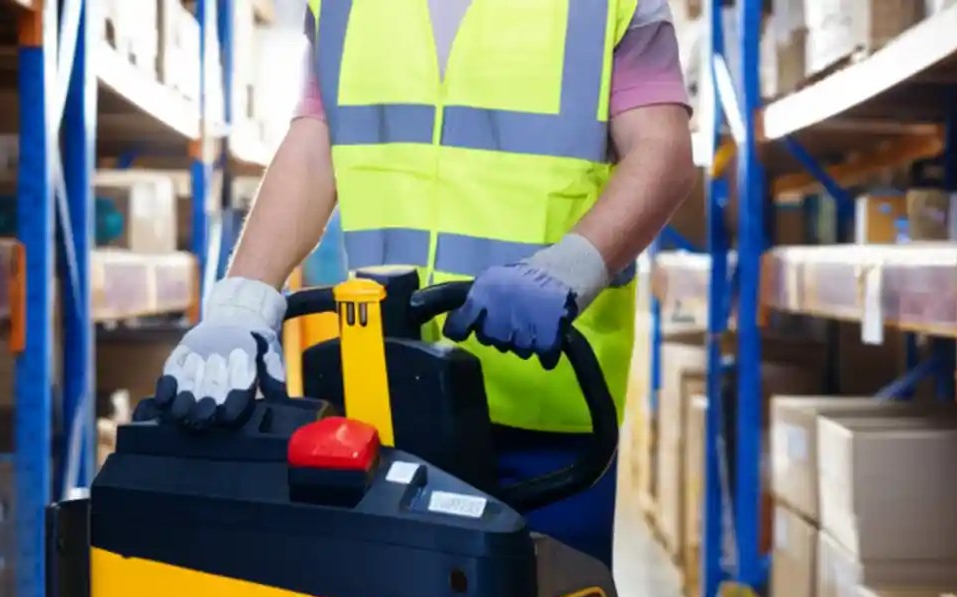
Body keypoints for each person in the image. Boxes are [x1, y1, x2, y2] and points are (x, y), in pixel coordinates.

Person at [154, 0, 694, 567]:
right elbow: (316, 145)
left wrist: (573, 266)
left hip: (547, 415)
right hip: (386, 397)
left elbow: (662, 148)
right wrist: (242, 302)